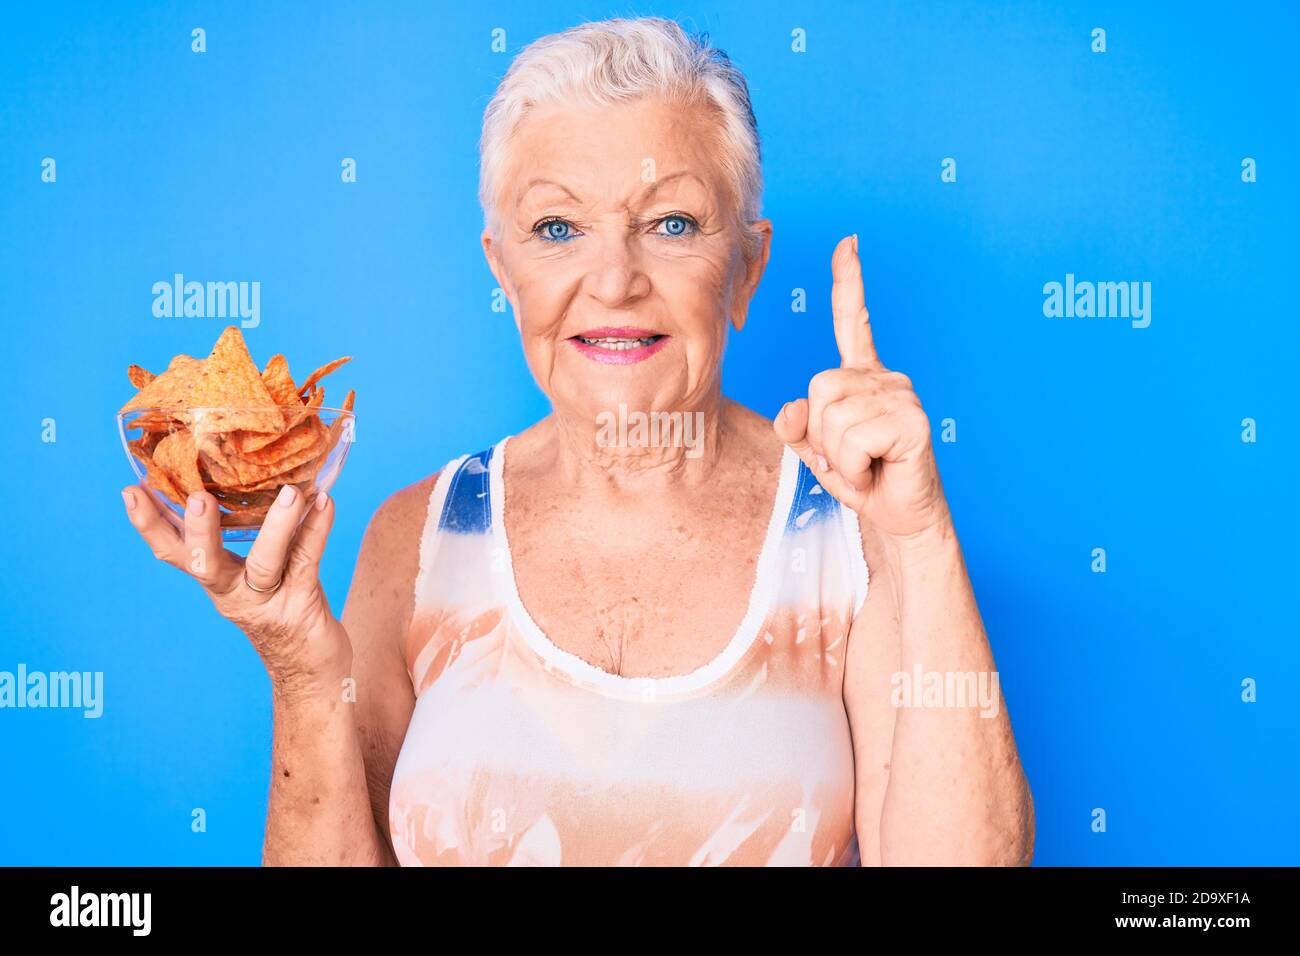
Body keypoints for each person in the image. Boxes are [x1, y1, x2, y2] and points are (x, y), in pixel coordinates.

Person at [121, 15, 1033, 866]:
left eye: (670, 224)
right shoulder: (419, 539)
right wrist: (302, 673)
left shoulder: (852, 531)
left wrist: (922, 539)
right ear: (504, 273)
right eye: (557, 229)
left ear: (747, 269)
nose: (613, 280)